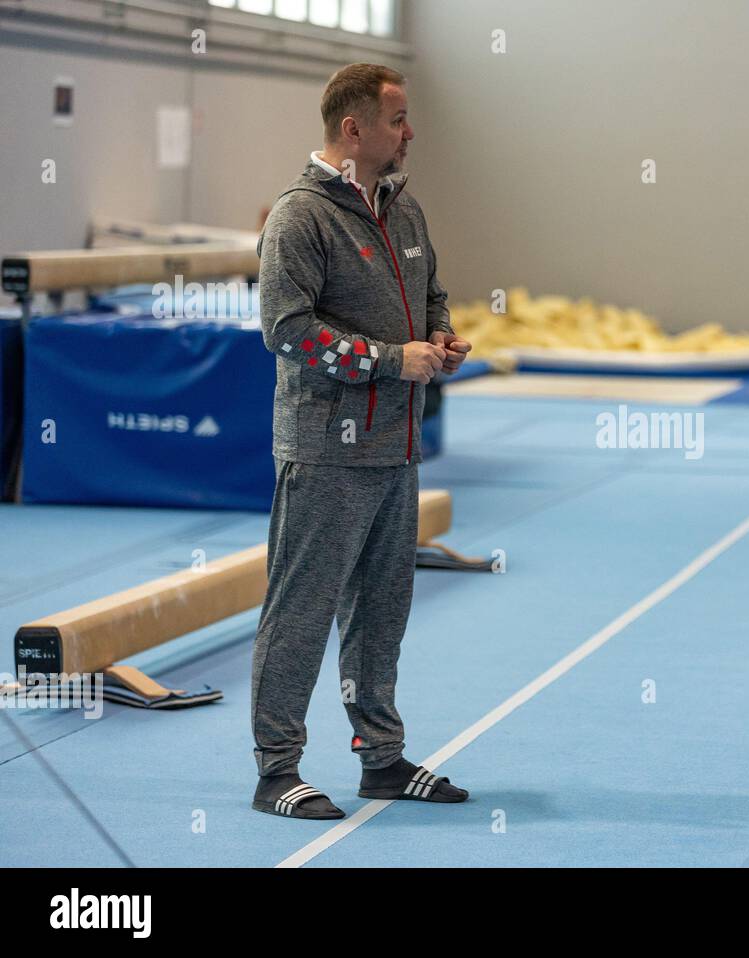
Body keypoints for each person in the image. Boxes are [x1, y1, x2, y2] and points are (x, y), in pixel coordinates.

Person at [250, 62, 472, 820]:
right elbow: (286, 330)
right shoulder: (301, 217)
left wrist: (440, 338)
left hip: (395, 446)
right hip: (326, 450)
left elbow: (432, 295)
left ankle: (381, 758)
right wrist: (389, 360)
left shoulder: (404, 210)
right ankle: (276, 770)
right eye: (398, 119)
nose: (411, 132)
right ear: (354, 129)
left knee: (381, 614)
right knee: (301, 612)